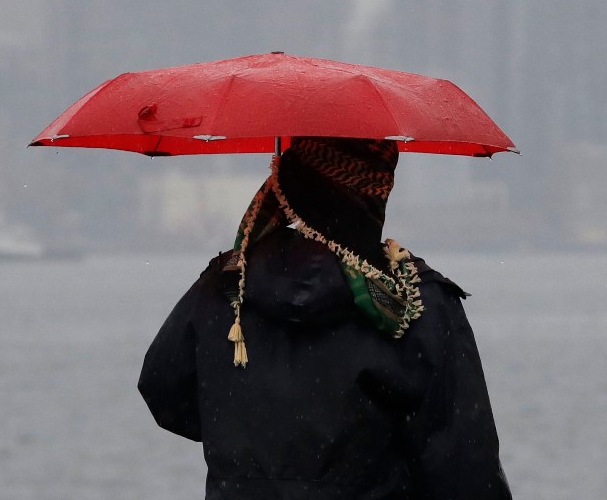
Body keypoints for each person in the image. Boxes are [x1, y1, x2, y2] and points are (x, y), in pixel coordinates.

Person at [138, 136, 513, 499]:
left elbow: (163, 389)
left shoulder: (227, 283)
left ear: (295, 186)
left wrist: (250, 443)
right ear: (377, 191)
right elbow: (465, 463)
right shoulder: (416, 300)